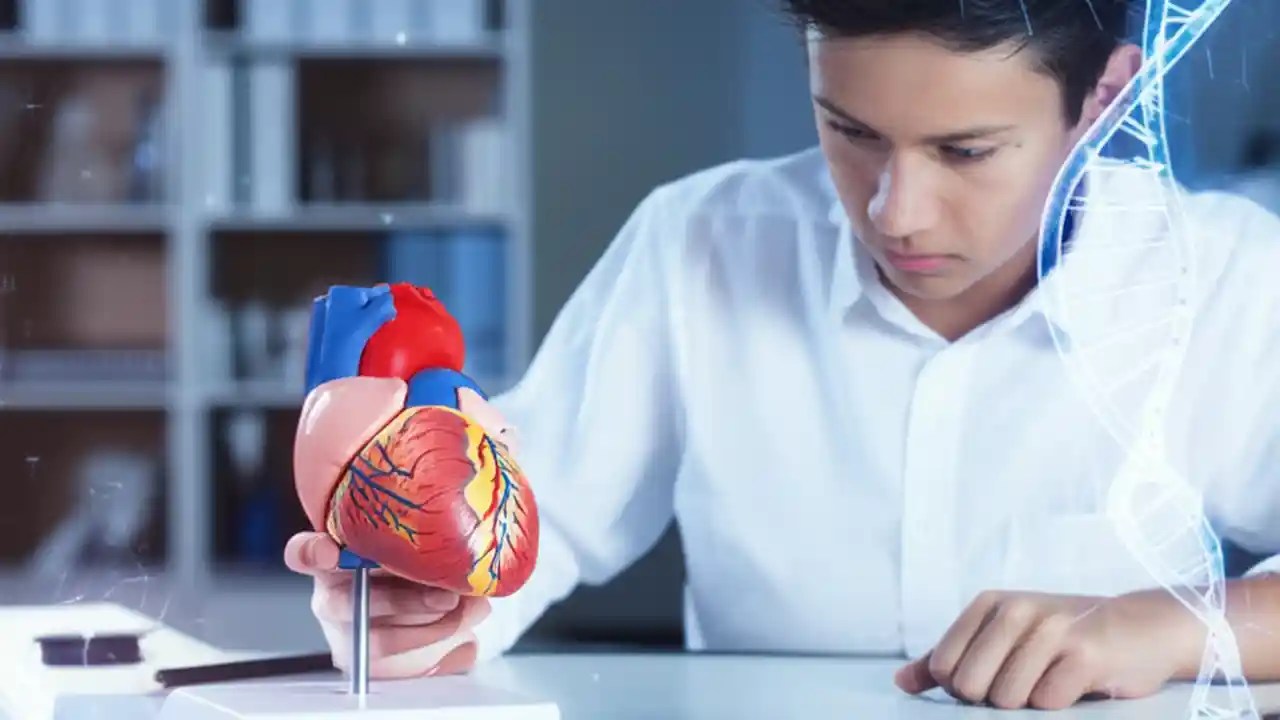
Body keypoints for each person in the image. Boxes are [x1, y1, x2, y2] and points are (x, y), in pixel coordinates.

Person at [284, 0, 1280, 710]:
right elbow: (522, 525)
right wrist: (425, 608)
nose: (894, 210)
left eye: (964, 151)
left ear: (1103, 99)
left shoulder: (1226, 275)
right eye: (847, 130)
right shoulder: (698, 241)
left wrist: (1166, 626)